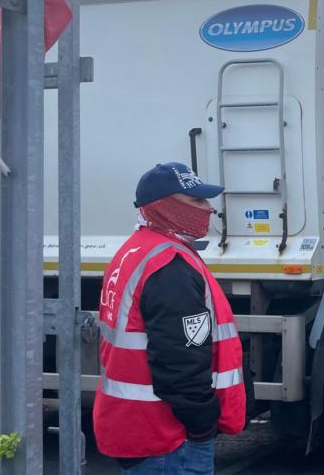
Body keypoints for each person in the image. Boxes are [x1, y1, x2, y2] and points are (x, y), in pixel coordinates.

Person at [94, 162, 246, 474]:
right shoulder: (168, 266)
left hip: (144, 429)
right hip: (168, 438)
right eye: (197, 201)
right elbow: (180, 360)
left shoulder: (137, 251)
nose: (208, 209)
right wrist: (202, 425)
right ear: (165, 207)